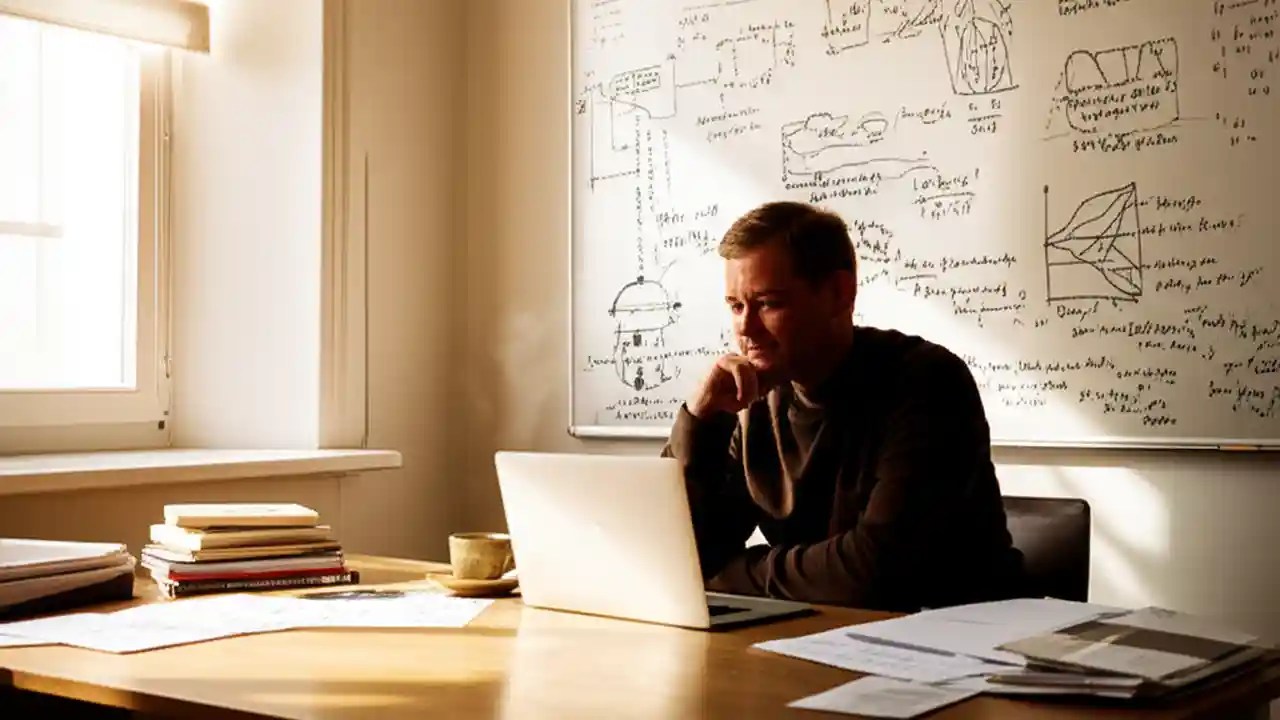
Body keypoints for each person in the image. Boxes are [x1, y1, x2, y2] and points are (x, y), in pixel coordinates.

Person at [661, 200, 1030, 612]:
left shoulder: (928, 382)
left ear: (839, 293)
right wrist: (700, 422)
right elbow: (671, 551)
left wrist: (724, 573)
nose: (745, 329)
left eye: (767, 303)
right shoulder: (752, 398)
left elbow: (875, 572)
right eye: (735, 306)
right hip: (823, 634)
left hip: (962, 644)